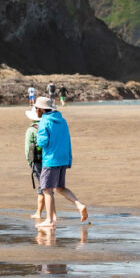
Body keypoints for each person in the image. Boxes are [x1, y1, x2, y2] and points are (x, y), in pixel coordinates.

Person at [34, 96, 88, 228]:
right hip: (63, 158)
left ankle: (49, 220)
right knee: (59, 188)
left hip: (50, 159)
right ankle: (79, 205)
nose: (35, 110)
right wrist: (69, 159)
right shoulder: (62, 120)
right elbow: (67, 140)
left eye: (36, 108)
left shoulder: (44, 122)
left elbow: (42, 142)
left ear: (41, 109)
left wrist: (37, 140)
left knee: (46, 189)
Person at [24, 108, 47, 221]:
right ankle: (52, 212)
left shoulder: (31, 130)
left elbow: (28, 148)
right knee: (48, 187)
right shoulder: (47, 127)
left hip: (37, 161)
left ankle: (39, 213)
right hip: (48, 160)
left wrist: (30, 162)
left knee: (42, 187)